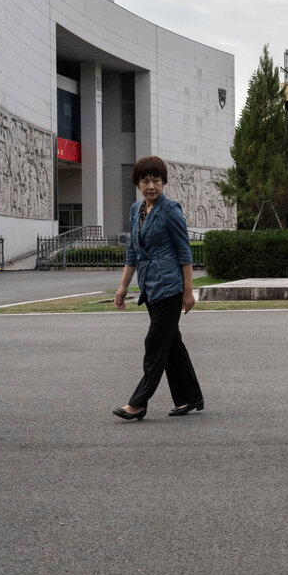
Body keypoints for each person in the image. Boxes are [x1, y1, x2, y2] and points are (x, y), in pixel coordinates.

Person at [112, 156, 204, 420]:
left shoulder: (170, 209)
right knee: (171, 343)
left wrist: (188, 290)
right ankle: (189, 397)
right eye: (145, 181)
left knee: (155, 343)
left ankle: (138, 403)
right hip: (150, 288)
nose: (150, 185)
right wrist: (122, 288)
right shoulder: (136, 211)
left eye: (155, 180)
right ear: (138, 183)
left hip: (170, 287)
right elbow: (132, 252)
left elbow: (184, 252)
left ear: (163, 181)